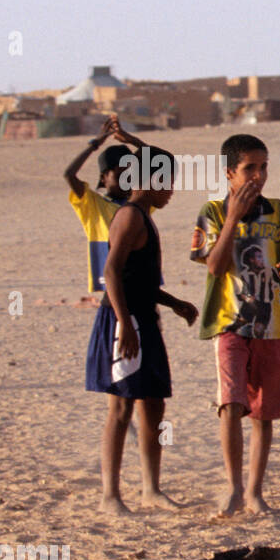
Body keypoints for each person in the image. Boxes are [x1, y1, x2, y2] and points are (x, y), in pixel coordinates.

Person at [189, 134, 280, 521]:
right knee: (231, 404)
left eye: (264, 166)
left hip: (273, 324)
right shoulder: (211, 212)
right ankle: (233, 488)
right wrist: (234, 219)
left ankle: (256, 490)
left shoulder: (279, 211)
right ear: (229, 173)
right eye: (249, 168)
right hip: (230, 322)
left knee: (264, 412)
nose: (258, 175)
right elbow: (214, 265)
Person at [85, 147, 197, 512]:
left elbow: (139, 279)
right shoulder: (129, 217)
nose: (171, 190)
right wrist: (124, 323)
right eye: (166, 181)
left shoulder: (143, 217)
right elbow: (111, 273)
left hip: (143, 318)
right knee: (120, 408)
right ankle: (110, 496)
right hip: (125, 321)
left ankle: (151, 488)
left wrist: (174, 303)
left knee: (153, 405)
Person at [63, 114, 159, 295]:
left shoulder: (141, 201)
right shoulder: (93, 204)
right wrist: (95, 144)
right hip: (111, 283)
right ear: (103, 178)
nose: (126, 180)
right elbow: (69, 174)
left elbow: (159, 164)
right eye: (119, 174)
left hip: (141, 281)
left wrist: (132, 140)